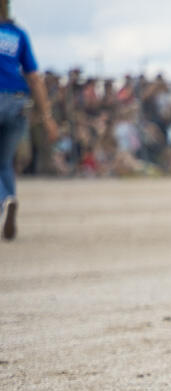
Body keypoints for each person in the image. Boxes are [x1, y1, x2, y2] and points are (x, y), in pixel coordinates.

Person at [0, 1, 57, 240]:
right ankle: (9, 198)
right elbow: (34, 77)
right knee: (4, 163)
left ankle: (5, 199)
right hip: (17, 102)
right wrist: (47, 118)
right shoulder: (18, 33)